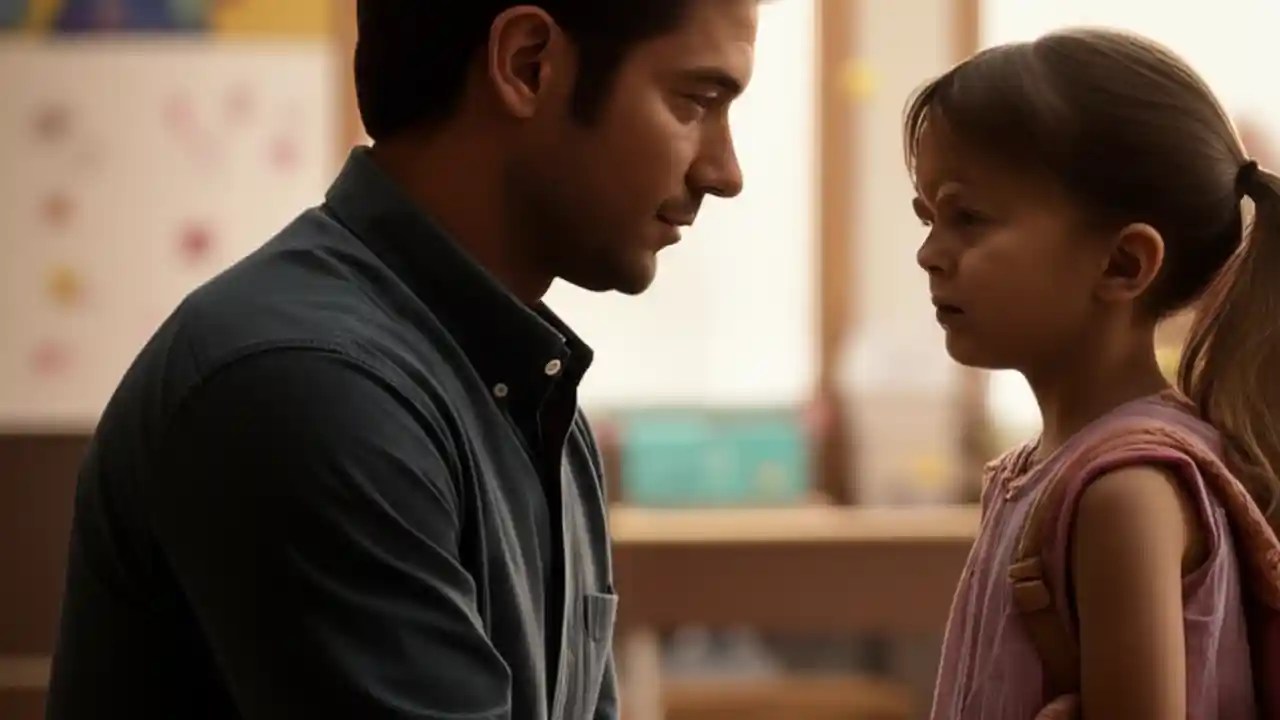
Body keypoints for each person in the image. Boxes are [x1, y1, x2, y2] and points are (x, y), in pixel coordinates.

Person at [46, 1, 755, 718]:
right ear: (527, 64)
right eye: (696, 101)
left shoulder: (530, 394)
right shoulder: (309, 385)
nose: (726, 172)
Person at [904, 28, 1280, 720]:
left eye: (969, 219)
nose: (930, 253)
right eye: (928, 217)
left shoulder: (1124, 491)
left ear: (1123, 264)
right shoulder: (1046, 471)